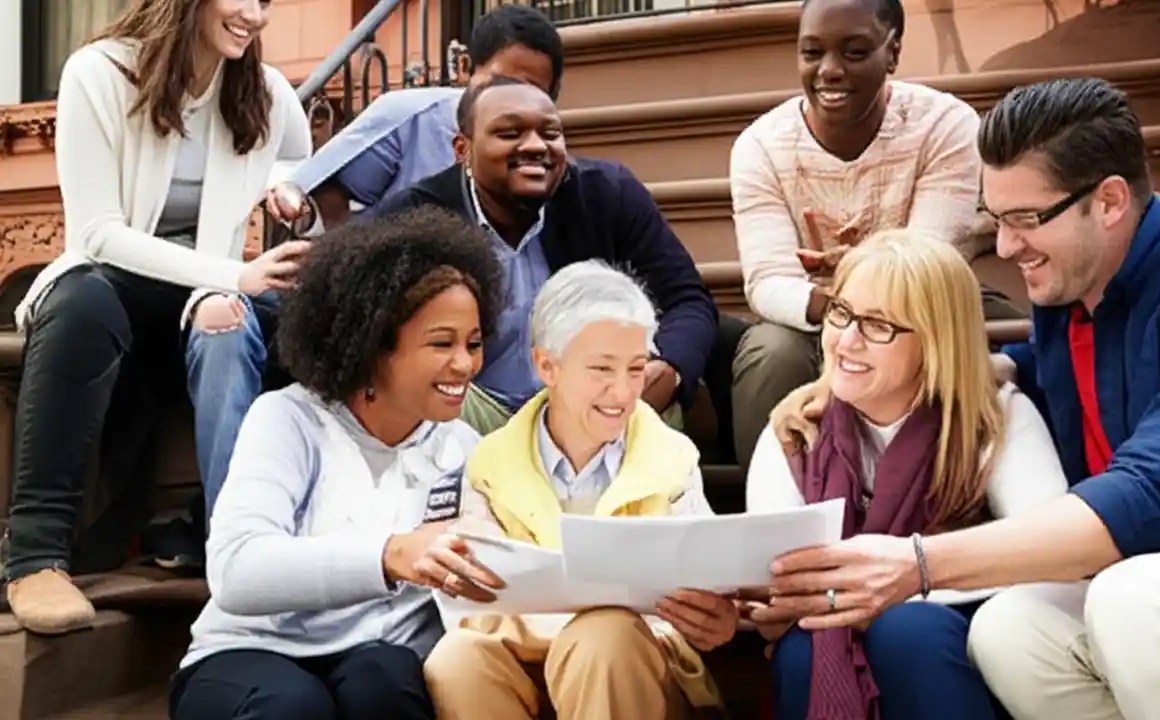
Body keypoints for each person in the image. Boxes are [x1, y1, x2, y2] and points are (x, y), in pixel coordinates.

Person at [761, 77, 1160, 720]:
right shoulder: (1072, 296)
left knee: (1134, 597)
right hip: (1148, 588)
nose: (1006, 247)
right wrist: (904, 360)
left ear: (1111, 201)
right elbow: (1025, 371)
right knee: (1009, 630)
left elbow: (1144, 497)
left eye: (1026, 220)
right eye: (997, 220)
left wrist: (918, 562)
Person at [3, 0, 312, 634]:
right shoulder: (98, 74)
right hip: (115, 285)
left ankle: (248, 532)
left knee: (318, 322)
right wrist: (232, 277)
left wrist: (294, 203)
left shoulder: (269, 92)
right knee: (79, 300)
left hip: (207, 297)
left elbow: (292, 171)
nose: (254, 15)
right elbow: (97, 234)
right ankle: (34, 558)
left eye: (266, 1)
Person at [168, 205, 504, 719]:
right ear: (373, 346)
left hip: (377, 659)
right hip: (249, 653)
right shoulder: (288, 419)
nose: (465, 364)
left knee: (387, 682)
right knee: (294, 706)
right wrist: (389, 556)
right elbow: (236, 571)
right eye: (442, 343)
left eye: (473, 343)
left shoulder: (468, 451)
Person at [747, 230, 1064, 720]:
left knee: (908, 629)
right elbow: (779, 588)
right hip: (832, 626)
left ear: (936, 341)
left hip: (955, 630)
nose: (847, 340)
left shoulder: (994, 419)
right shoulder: (794, 430)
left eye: (877, 325)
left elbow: (1050, 551)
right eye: (841, 313)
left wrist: (902, 587)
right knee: (803, 651)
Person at [423, 260, 736, 719]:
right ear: (547, 366)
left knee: (603, 637)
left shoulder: (672, 459)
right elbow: (472, 611)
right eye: (602, 369)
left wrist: (716, 616)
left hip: (637, 672)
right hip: (526, 671)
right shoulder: (488, 465)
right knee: (457, 659)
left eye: (636, 368)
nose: (623, 391)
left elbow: (707, 588)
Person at [373, 76, 718, 436]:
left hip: (587, 405)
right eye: (509, 134)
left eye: (550, 134)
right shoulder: (417, 218)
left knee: (657, 408)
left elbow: (687, 299)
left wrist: (670, 367)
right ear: (463, 150)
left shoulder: (607, 193)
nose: (536, 146)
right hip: (472, 413)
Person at [728, 0, 992, 463]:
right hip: (813, 318)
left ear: (892, 53)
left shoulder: (945, 126)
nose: (828, 71)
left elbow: (926, 265)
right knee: (770, 353)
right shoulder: (760, 146)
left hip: (924, 307)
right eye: (812, 53)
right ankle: (772, 509)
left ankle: (955, 497)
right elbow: (767, 281)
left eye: (853, 52)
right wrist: (844, 311)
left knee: (981, 331)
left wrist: (856, 286)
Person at [280, 3, 563, 229]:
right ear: (465, 67)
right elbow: (332, 193)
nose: (511, 101)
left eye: (532, 91)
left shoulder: (551, 163)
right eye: (501, 83)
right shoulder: (408, 118)